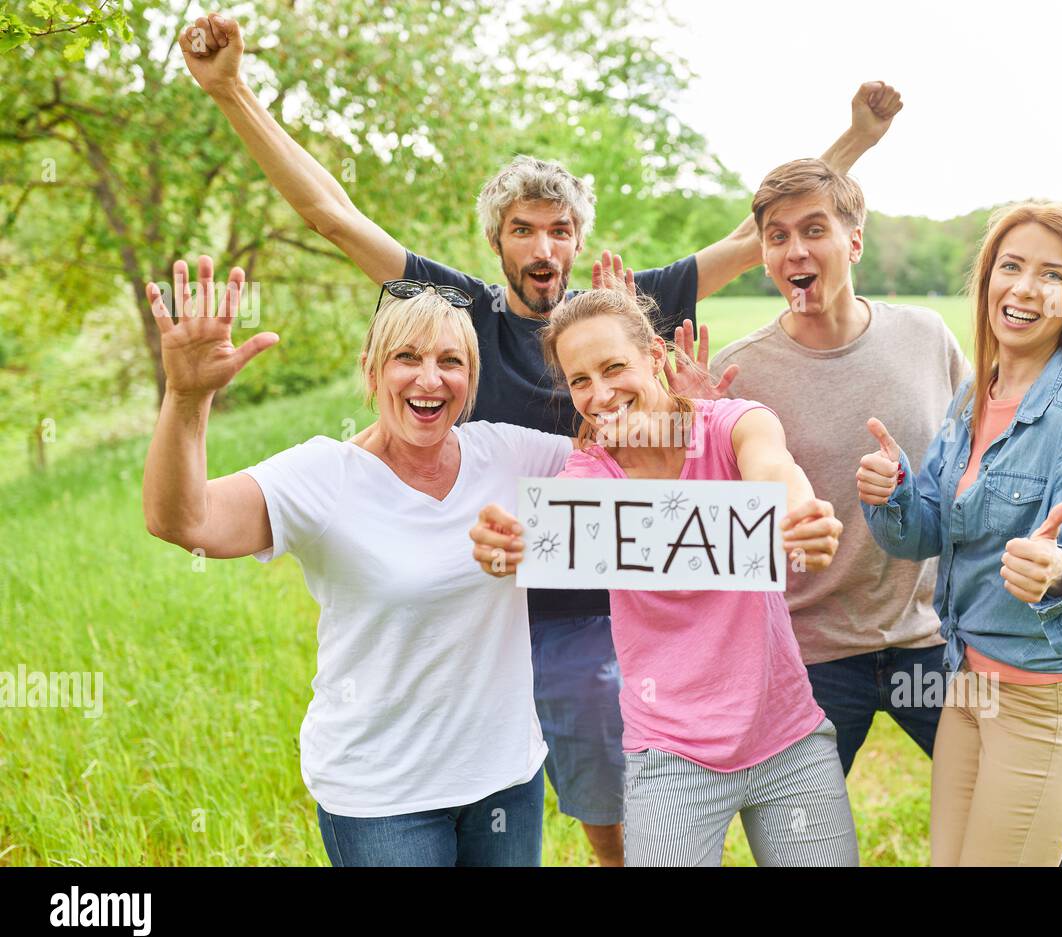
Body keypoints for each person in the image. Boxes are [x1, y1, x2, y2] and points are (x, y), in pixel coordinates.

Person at [178, 10, 902, 866]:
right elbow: (332, 216)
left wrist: (855, 140)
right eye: (523, 228)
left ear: (581, 243)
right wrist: (231, 92)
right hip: (533, 596)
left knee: (647, 749)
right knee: (600, 775)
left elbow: (761, 237)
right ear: (499, 242)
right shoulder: (460, 313)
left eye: (559, 228)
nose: (543, 244)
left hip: (640, 581)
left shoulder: (633, 301)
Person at [142, 255, 577, 866]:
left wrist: (651, 375)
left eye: (450, 361)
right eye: (407, 358)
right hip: (383, 799)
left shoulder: (508, 455)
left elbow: (626, 467)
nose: (430, 380)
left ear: (471, 380)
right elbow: (183, 522)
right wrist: (187, 397)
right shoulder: (324, 476)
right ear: (372, 372)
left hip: (506, 778)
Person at [469, 287, 858, 866]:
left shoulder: (731, 424)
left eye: (613, 367)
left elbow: (775, 468)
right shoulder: (589, 472)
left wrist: (795, 513)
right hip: (670, 751)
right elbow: (546, 527)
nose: (600, 395)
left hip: (787, 739)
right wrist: (509, 544)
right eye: (580, 381)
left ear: (654, 355)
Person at [858, 202, 1062, 866]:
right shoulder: (973, 397)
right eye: (1010, 267)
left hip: (1045, 701)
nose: (1022, 288)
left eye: (1051, 275)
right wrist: (894, 495)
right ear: (987, 279)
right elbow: (927, 531)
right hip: (968, 682)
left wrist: (1061, 578)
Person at [700, 158, 966, 779]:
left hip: (929, 638)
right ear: (764, 255)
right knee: (799, 846)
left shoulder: (926, 337)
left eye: (814, 230)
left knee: (1012, 818)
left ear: (855, 241)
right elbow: (712, 520)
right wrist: (700, 430)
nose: (796, 250)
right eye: (778, 236)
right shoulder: (739, 372)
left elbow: (977, 458)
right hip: (808, 654)